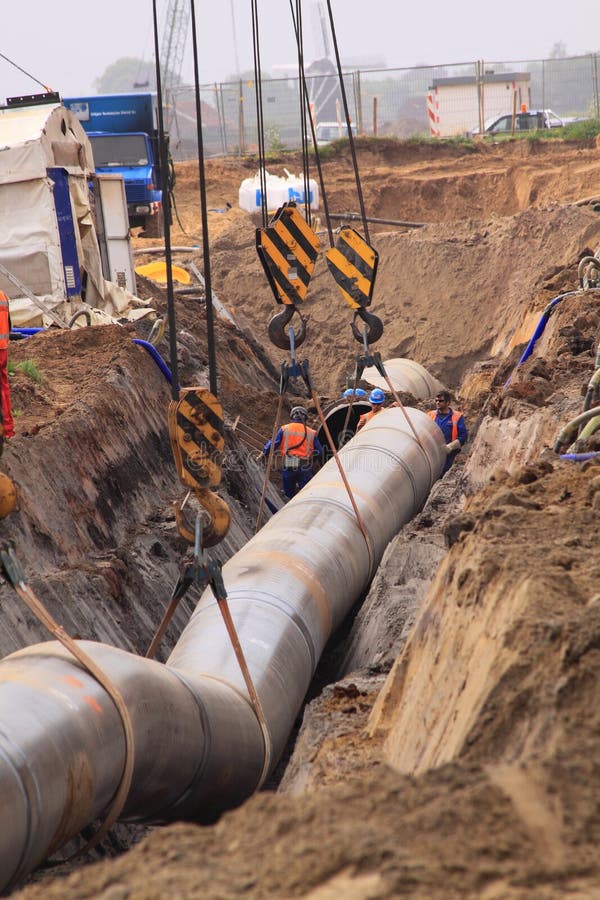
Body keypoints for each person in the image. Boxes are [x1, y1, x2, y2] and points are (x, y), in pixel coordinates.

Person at [262, 406, 323, 500]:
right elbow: (319, 451)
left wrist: (264, 452)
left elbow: (274, 443)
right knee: (306, 493)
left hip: (289, 462)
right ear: (305, 418)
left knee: (288, 493)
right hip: (304, 464)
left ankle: (289, 506)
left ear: (292, 416)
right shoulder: (311, 432)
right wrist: (313, 460)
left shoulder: (284, 429)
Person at [427, 390, 468, 473]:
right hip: (433, 454)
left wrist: (450, 447)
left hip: (450, 455)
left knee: (445, 474)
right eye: (436, 401)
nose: (438, 403)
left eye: (441, 401)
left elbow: (463, 436)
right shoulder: (430, 415)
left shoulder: (457, 416)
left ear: (448, 403)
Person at [0, 291, 15, 440]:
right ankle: (7, 430)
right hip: (2, 349)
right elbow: (9, 324)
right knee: (3, 389)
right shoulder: (3, 295)